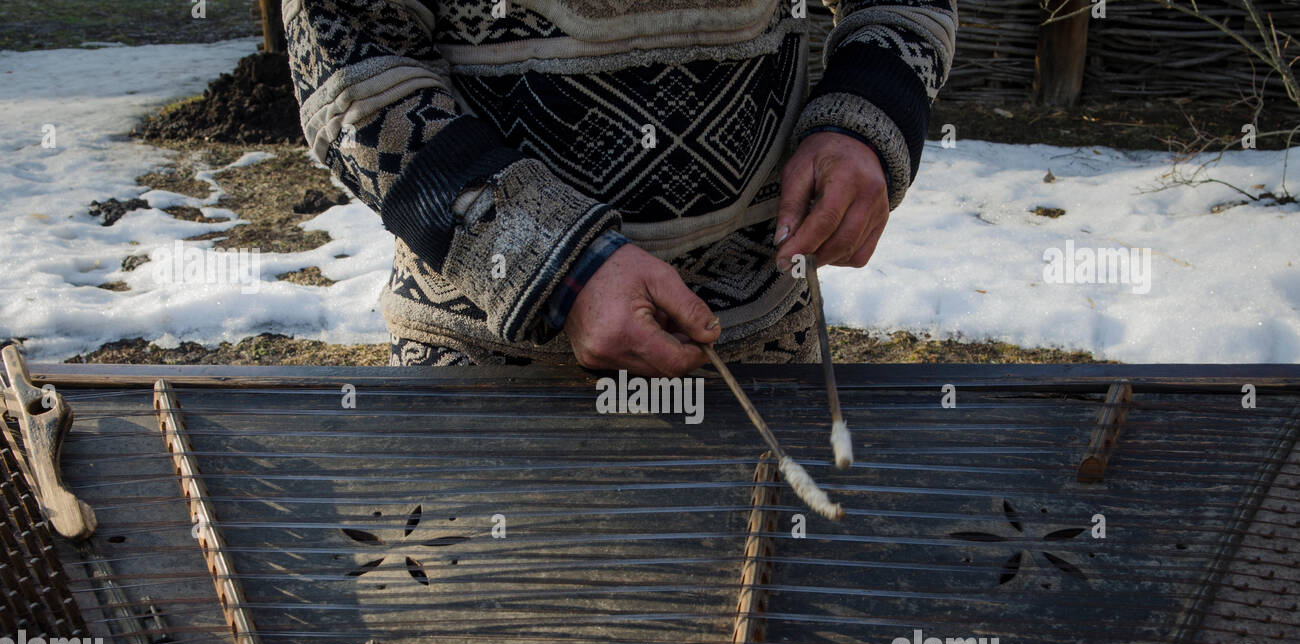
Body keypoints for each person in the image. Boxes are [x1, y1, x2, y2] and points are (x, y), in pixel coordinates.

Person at [283, 1, 957, 372]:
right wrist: (555, 266)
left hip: (760, 339)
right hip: (488, 361)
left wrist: (868, 112)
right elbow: (350, 69)